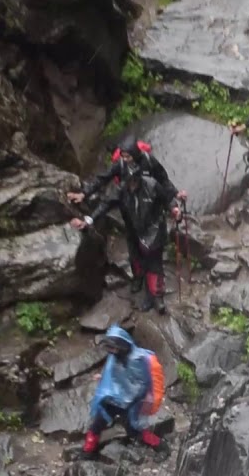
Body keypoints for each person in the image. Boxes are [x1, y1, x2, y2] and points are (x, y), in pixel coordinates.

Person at [67, 141, 187, 313]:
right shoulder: (122, 188)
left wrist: (175, 205)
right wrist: (88, 219)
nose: (130, 185)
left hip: (152, 223)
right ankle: (140, 280)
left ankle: (156, 297)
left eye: (128, 156)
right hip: (132, 218)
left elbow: (165, 192)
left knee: (154, 260)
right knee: (136, 250)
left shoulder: (151, 181)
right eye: (123, 156)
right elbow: (105, 199)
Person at [78, 325, 168, 460]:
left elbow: (143, 384)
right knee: (98, 422)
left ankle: (161, 447)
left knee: (134, 430)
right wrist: (103, 378)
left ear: (123, 346)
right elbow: (113, 373)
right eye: (110, 348)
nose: (111, 351)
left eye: (114, 348)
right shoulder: (115, 356)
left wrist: (128, 401)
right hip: (114, 398)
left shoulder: (136, 359)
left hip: (131, 402)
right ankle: (88, 451)